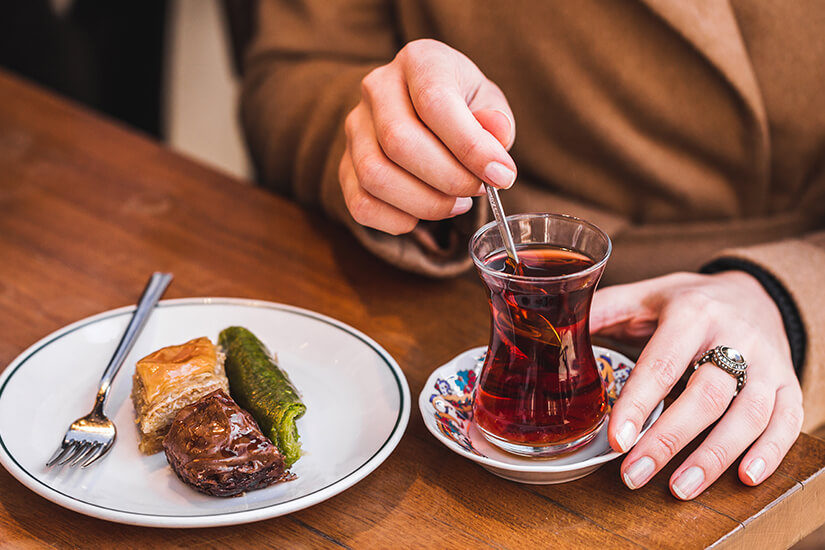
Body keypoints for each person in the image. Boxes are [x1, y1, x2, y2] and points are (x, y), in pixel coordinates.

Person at [241, 0, 825, 501]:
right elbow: (291, 72)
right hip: (439, 287)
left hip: (777, 355)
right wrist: (393, 146)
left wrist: (783, 294)